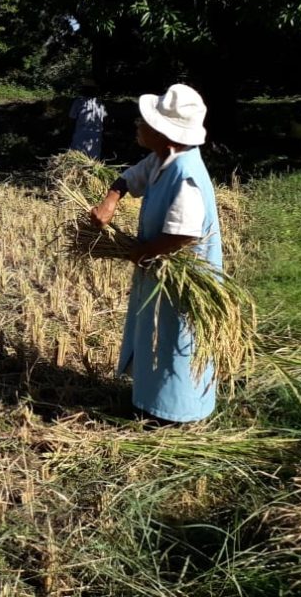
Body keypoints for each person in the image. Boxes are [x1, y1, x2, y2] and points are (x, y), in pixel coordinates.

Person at [90, 83, 221, 423]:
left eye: (145, 122)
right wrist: (111, 199)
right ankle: (150, 401)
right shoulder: (162, 158)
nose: (138, 125)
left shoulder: (186, 174)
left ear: (166, 134)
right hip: (157, 267)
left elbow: (183, 234)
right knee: (155, 331)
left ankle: (174, 414)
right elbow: (131, 178)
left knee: (177, 339)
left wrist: (144, 252)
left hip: (181, 277)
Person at [68, 77, 107, 159]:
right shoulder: (79, 102)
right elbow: (71, 120)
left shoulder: (99, 103)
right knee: (80, 160)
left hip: (93, 138)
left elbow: (71, 120)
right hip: (82, 137)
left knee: (90, 162)